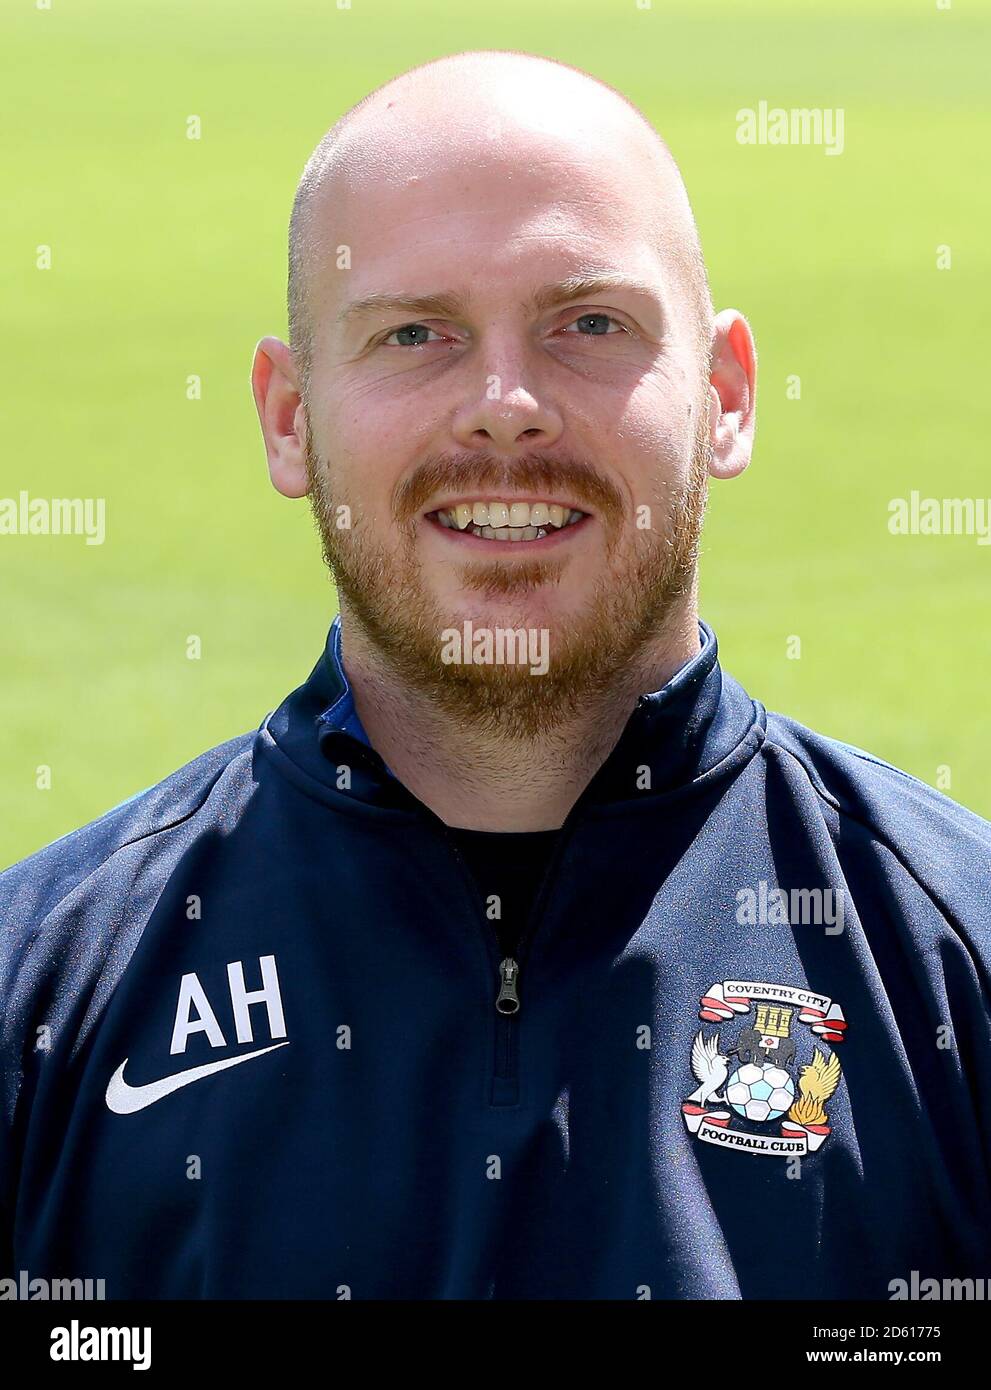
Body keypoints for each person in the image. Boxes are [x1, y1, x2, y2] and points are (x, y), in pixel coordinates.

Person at [2, 49, 989, 1301]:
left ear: (725, 395)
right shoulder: (41, 997)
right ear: (289, 417)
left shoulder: (955, 962)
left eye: (590, 324)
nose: (506, 407)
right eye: (416, 333)